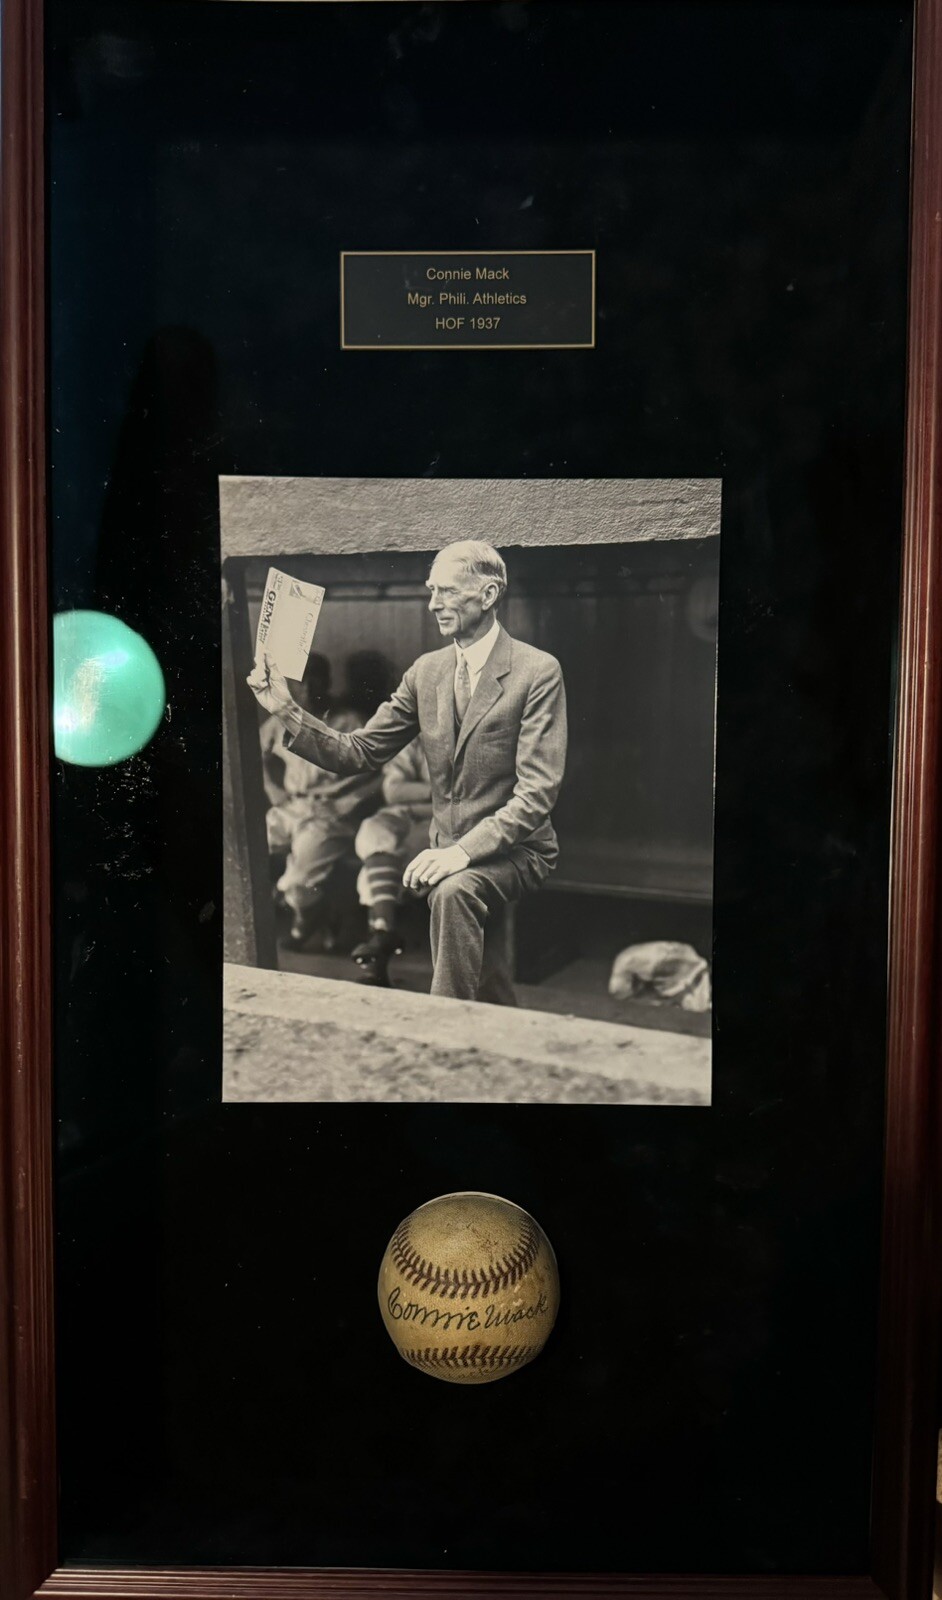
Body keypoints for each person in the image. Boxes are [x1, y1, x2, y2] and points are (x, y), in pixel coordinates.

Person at [247, 540, 568, 1004]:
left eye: (447, 591)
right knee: (486, 975)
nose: (433, 603)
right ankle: (496, 1029)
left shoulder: (537, 671)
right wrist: (285, 709)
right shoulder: (426, 672)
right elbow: (359, 751)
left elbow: (536, 794)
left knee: (454, 892)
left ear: (489, 594)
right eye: (431, 590)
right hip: (441, 844)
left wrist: (460, 853)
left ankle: (441, 1028)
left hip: (516, 849)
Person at [259, 652, 382, 948]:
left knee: (298, 882)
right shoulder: (282, 718)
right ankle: (308, 912)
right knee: (244, 846)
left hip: (330, 813)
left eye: (315, 679)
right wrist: (271, 788)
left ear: (328, 681)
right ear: (290, 684)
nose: (308, 688)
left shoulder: (350, 721)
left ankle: (304, 926)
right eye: (300, 681)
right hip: (290, 807)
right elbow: (251, 753)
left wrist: (351, 802)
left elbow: (384, 773)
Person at [351, 738, 433, 986]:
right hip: (405, 812)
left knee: (381, 866)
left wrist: (416, 790)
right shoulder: (417, 740)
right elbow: (393, 789)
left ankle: (380, 942)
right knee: (373, 830)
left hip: (447, 819)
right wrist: (436, 791)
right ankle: (384, 934)